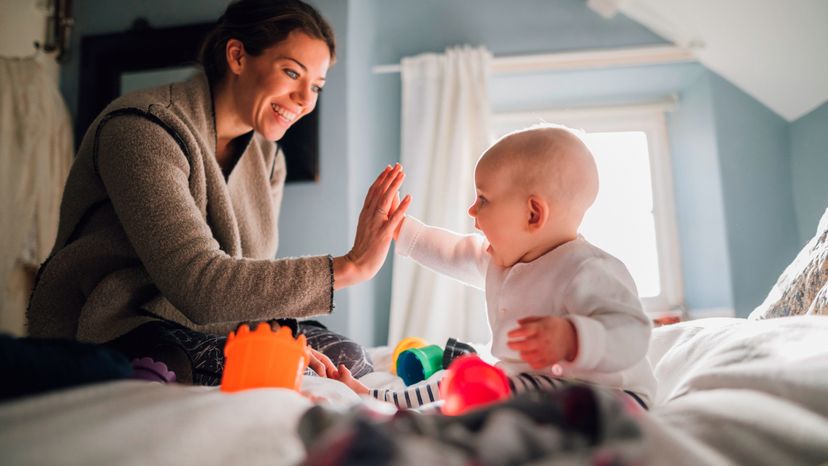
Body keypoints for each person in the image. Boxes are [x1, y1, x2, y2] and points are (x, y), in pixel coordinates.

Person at [27, 0, 411, 386]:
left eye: (316, 86)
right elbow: (199, 285)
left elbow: (247, 284)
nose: (305, 99)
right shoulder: (140, 130)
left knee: (348, 357)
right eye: (291, 72)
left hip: (214, 322)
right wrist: (350, 266)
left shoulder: (268, 157)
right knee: (179, 363)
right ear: (238, 56)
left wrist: (280, 337)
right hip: (119, 323)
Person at [336, 124, 656, 409]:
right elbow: (451, 252)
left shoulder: (588, 268)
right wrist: (398, 228)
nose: (472, 210)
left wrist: (573, 337)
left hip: (611, 395)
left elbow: (633, 332)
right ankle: (382, 401)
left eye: (483, 199)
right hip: (538, 387)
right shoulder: (501, 260)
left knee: (498, 387)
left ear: (533, 215)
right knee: (463, 377)